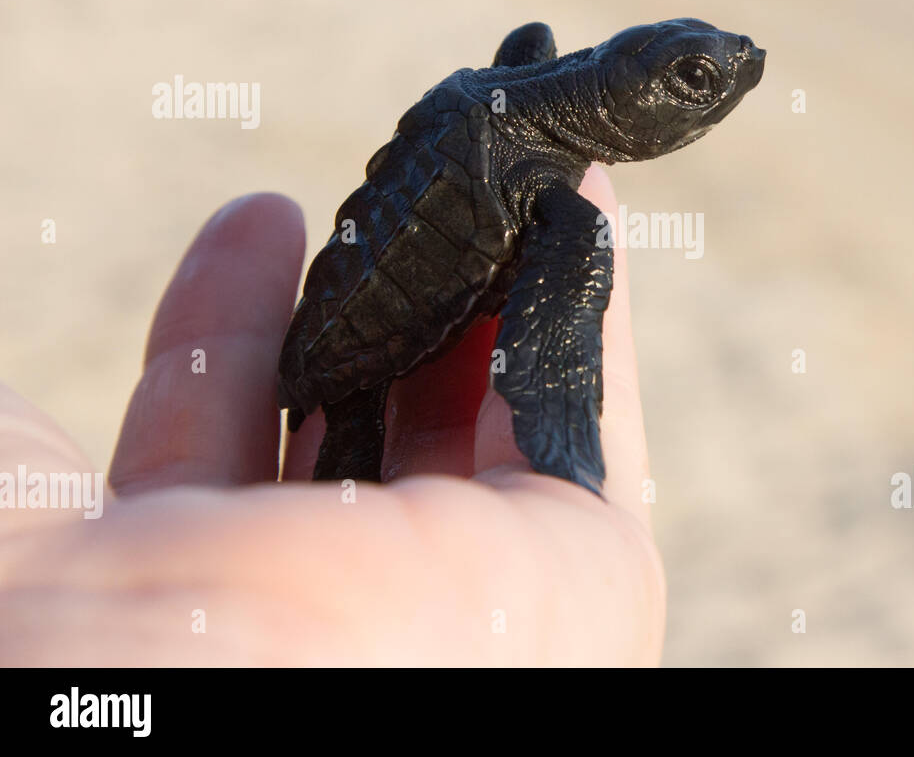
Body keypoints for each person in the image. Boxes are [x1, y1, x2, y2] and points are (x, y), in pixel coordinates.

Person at [0, 168, 664, 665]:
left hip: (353, 324)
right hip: (365, 340)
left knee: (356, 427)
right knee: (357, 420)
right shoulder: (559, 195)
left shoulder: (525, 133)